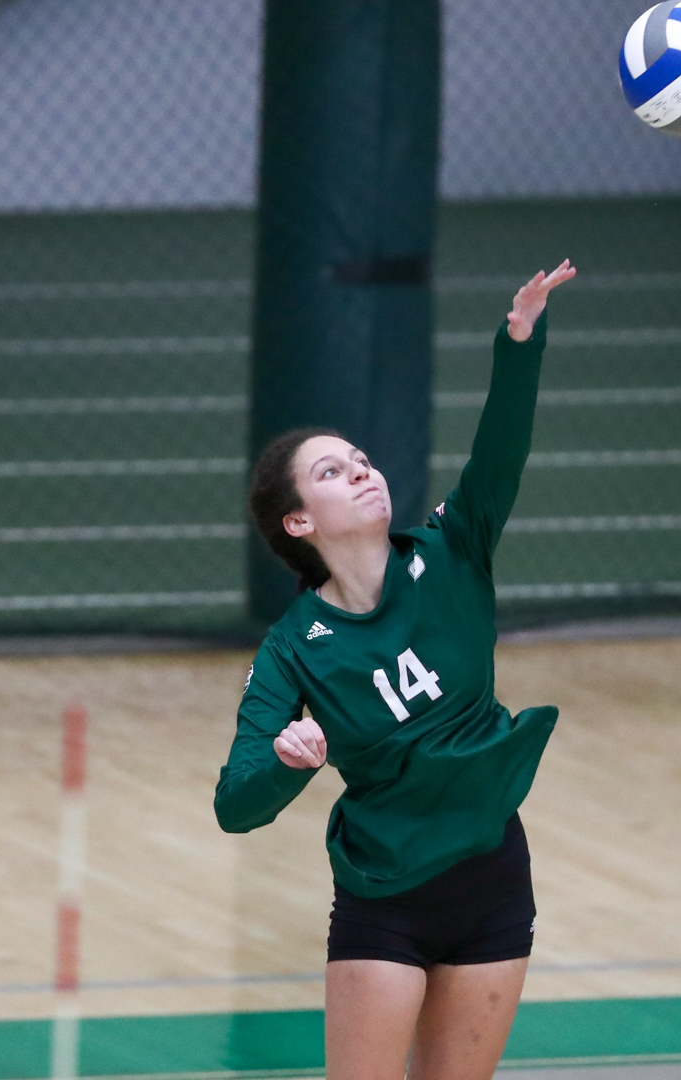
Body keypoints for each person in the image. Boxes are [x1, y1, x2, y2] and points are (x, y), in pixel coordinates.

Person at [215, 261, 576, 1080]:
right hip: (387, 896)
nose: (361, 470)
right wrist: (284, 763)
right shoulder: (292, 650)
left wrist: (520, 341)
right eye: (332, 471)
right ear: (298, 522)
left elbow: (501, 452)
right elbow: (235, 806)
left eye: (361, 459)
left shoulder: (454, 550)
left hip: (493, 876)